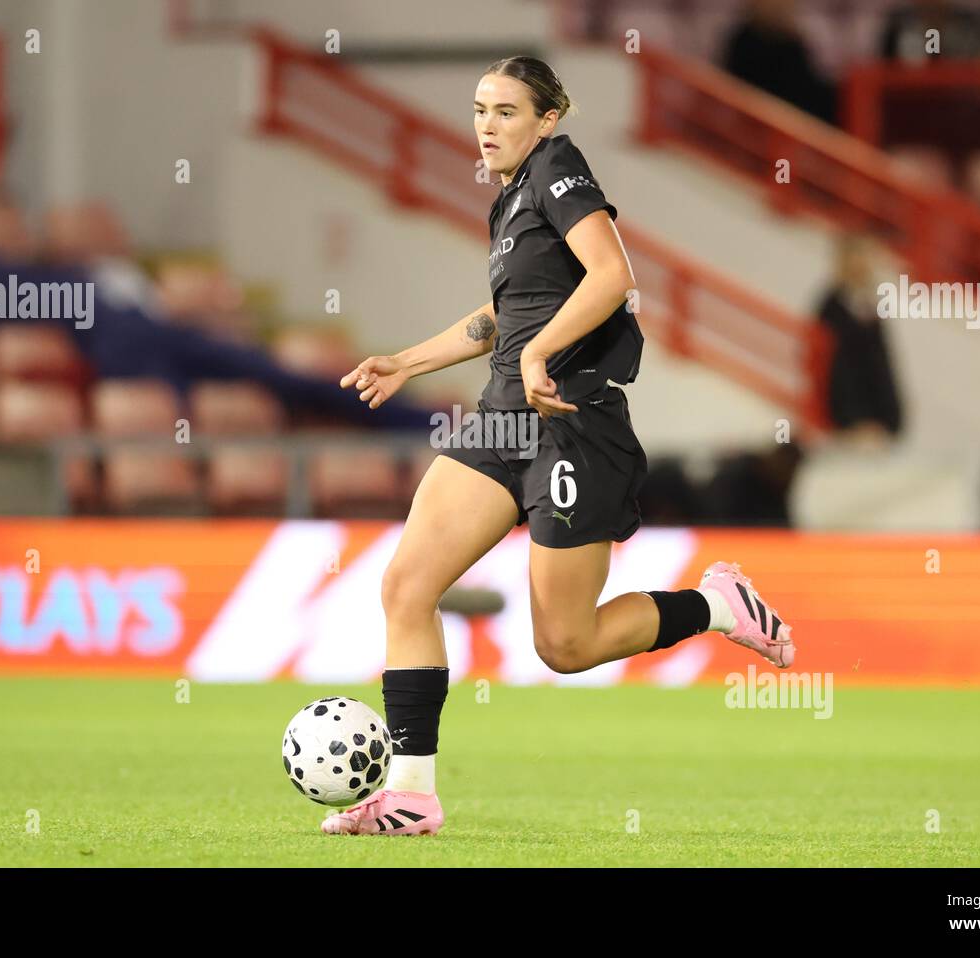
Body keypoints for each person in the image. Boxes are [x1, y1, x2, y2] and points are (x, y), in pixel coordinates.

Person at [321, 56, 798, 837]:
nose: (486, 126)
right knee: (407, 587)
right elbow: (504, 316)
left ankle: (717, 604)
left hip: (573, 423)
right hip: (504, 420)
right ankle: (410, 793)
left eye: (507, 111)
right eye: (479, 110)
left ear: (547, 120)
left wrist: (541, 354)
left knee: (565, 645)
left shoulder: (558, 165)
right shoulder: (507, 203)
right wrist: (407, 360)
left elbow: (612, 276)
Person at [0, 207, 430, 431]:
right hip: (131, 337)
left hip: (149, 330)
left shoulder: (35, 274)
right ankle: (408, 416)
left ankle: (407, 415)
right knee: (267, 383)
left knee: (281, 377)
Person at [815, 235, 903, 442]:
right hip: (847, 414)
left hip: (875, 417)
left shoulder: (870, 306)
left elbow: (882, 364)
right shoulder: (832, 305)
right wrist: (854, 419)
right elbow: (836, 368)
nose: (865, 263)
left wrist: (890, 418)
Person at [720, 0, 837, 125]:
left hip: (758, 122)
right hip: (778, 123)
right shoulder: (788, 46)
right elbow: (804, 91)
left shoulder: (741, 39)